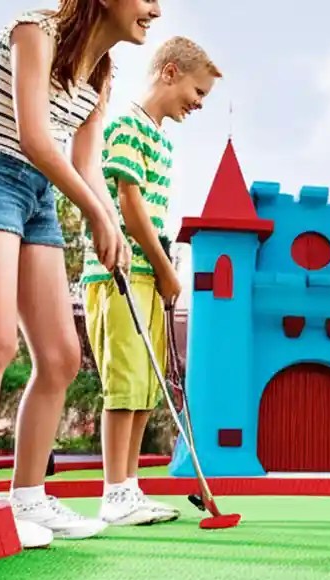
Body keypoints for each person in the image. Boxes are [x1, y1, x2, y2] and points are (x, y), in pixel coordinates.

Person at [0, 0, 160, 548]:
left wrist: (112, 225)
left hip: (39, 191)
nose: (156, 10)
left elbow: (86, 164)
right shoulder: (34, 31)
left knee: (62, 356)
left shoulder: (102, 71)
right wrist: (94, 214)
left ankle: (27, 496)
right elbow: (35, 138)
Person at [80, 36, 221, 526]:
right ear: (170, 72)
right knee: (124, 383)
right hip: (118, 272)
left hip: (149, 275)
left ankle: (130, 487)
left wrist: (162, 270)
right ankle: (113, 492)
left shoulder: (161, 139)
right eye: (197, 92)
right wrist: (164, 267)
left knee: (145, 385)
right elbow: (129, 203)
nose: (199, 104)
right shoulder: (127, 125)